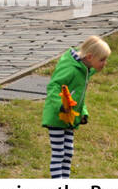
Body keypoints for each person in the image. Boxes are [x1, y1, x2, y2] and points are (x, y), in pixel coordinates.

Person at [42, 36, 110, 179]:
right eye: (102, 60)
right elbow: (53, 86)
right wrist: (61, 106)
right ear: (90, 57)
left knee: (68, 152)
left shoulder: (84, 71)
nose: (105, 63)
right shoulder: (72, 69)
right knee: (59, 152)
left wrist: (83, 113)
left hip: (70, 118)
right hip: (57, 117)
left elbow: (78, 97)